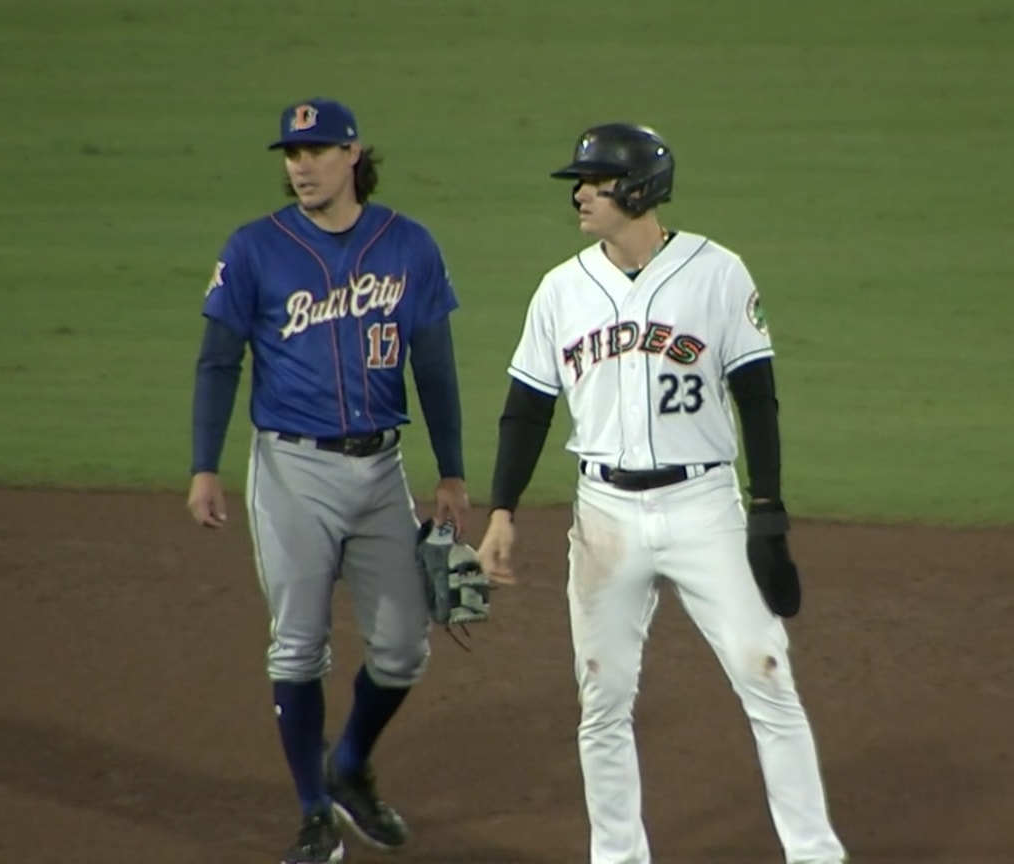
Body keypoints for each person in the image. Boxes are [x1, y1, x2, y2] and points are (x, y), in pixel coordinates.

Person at [475, 123, 848, 864]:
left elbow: (757, 397)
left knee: (765, 672)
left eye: (594, 181)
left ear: (638, 190)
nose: (579, 193)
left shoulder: (718, 274)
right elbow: (527, 407)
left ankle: (815, 855)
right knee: (601, 699)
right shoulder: (561, 290)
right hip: (604, 513)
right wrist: (502, 511)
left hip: (702, 506)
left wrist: (767, 508)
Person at [184, 97, 470, 864]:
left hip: (383, 471)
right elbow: (218, 361)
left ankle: (348, 768)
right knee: (298, 646)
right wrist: (204, 464)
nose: (299, 165)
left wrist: (451, 470)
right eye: (290, 153)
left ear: (353, 155)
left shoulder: (408, 246)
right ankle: (313, 811)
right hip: (291, 470)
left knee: (405, 648)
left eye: (314, 151)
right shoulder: (254, 250)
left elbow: (435, 367)